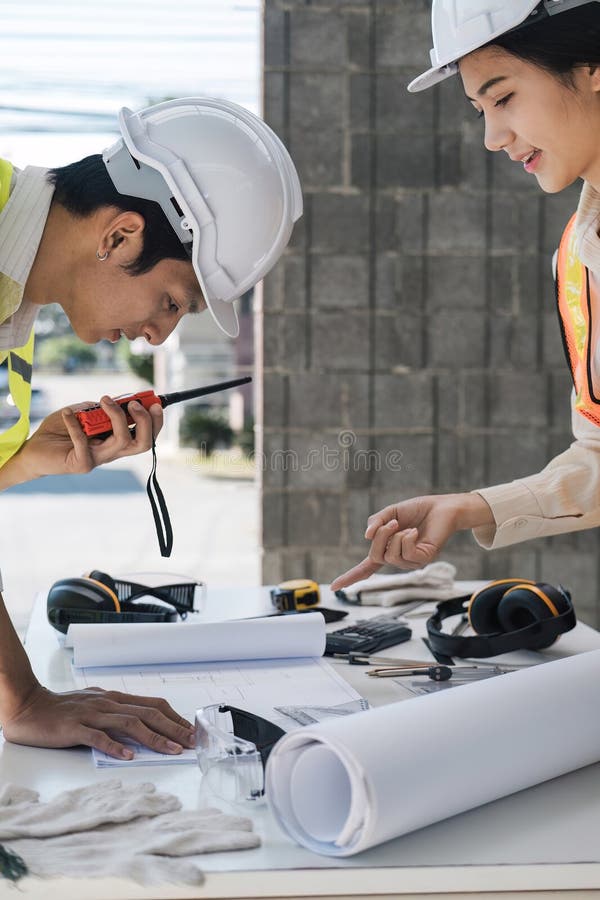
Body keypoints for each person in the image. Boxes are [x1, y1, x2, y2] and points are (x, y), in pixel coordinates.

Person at [0, 97, 301, 758]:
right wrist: (22, 698)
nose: (156, 334)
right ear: (120, 236)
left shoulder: (12, 298)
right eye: (171, 302)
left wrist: (26, 461)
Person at [331, 0, 600, 592]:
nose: (492, 136)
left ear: (590, 67)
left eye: (503, 98)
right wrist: (474, 506)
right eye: (480, 109)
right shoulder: (579, 262)